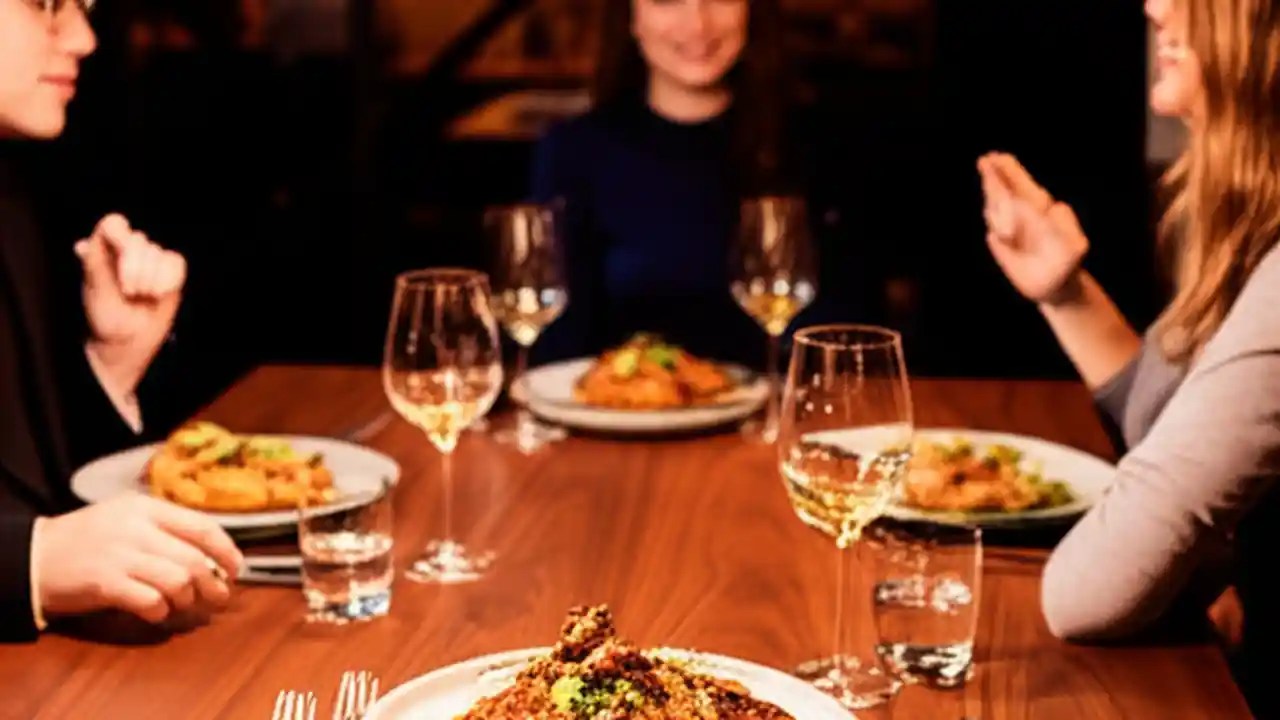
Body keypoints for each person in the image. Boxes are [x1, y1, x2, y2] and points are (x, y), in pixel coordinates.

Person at [979, 0, 1280, 712]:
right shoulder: (1248, 214)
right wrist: (1067, 295)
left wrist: (1191, 544)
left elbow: (1086, 592)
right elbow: (1187, 435)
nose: (1155, 5)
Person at [1, 0, 244, 642]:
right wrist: (32, 562)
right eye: (48, 6)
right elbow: (36, 542)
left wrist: (112, 365)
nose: (82, 38)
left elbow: (36, 497)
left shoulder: (14, 195)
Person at [531, 0, 814, 366]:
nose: (697, 23)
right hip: (616, 416)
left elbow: (848, 340)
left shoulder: (813, 144)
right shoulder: (573, 150)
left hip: (786, 417)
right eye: (667, 0)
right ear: (630, 17)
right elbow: (555, 351)